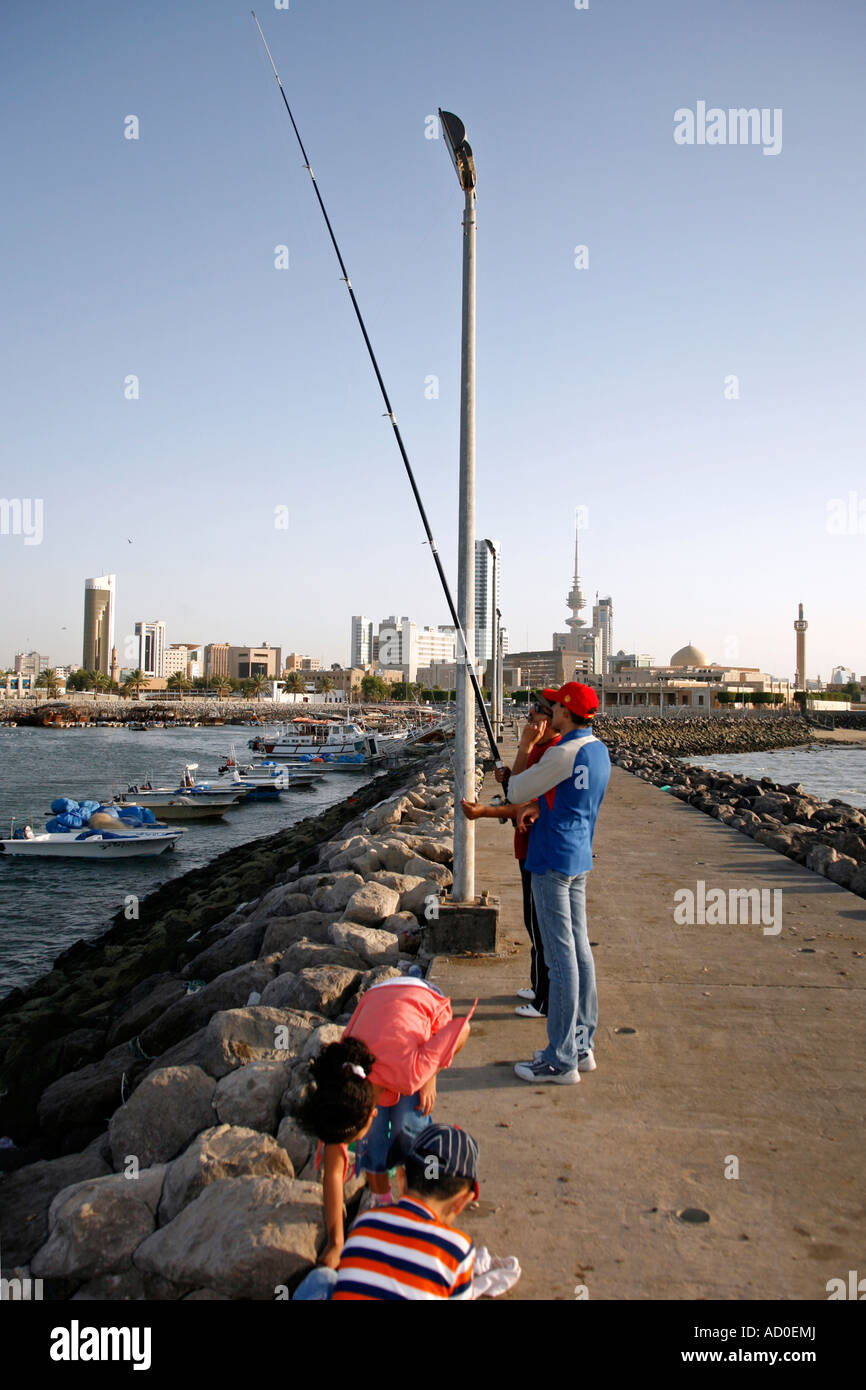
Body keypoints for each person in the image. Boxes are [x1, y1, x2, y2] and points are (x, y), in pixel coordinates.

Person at [297, 976, 475, 1268]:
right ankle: (381, 1198)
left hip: (421, 996)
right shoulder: (341, 1079)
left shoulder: (409, 1072)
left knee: (410, 1123)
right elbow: (333, 1170)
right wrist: (335, 1244)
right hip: (378, 1004)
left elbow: (462, 1027)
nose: (354, 1141)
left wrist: (431, 1069)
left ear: (372, 1111)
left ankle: (419, 1202)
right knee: (374, 1140)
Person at [505, 682, 610, 1085]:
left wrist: (525, 746)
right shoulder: (597, 751)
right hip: (580, 855)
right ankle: (582, 1045)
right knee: (580, 951)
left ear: (565, 712)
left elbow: (516, 789)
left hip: (550, 858)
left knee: (560, 957)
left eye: (554, 708)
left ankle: (559, 1059)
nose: (548, 713)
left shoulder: (563, 753)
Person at [293, 1124, 480, 1300]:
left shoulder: (365, 1221)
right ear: (462, 1201)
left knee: (322, 1277)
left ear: (401, 1177)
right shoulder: (458, 1249)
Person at [460, 693, 560, 1018]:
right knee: (532, 922)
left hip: (539, 847)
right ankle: (537, 985)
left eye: (534, 718)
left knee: (540, 925)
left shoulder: (550, 753)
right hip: (526, 845)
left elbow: (521, 798)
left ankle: (544, 1000)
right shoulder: (538, 750)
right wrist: (511, 772)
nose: (529, 723)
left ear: (549, 720)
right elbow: (516, 785)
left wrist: (486, 810)